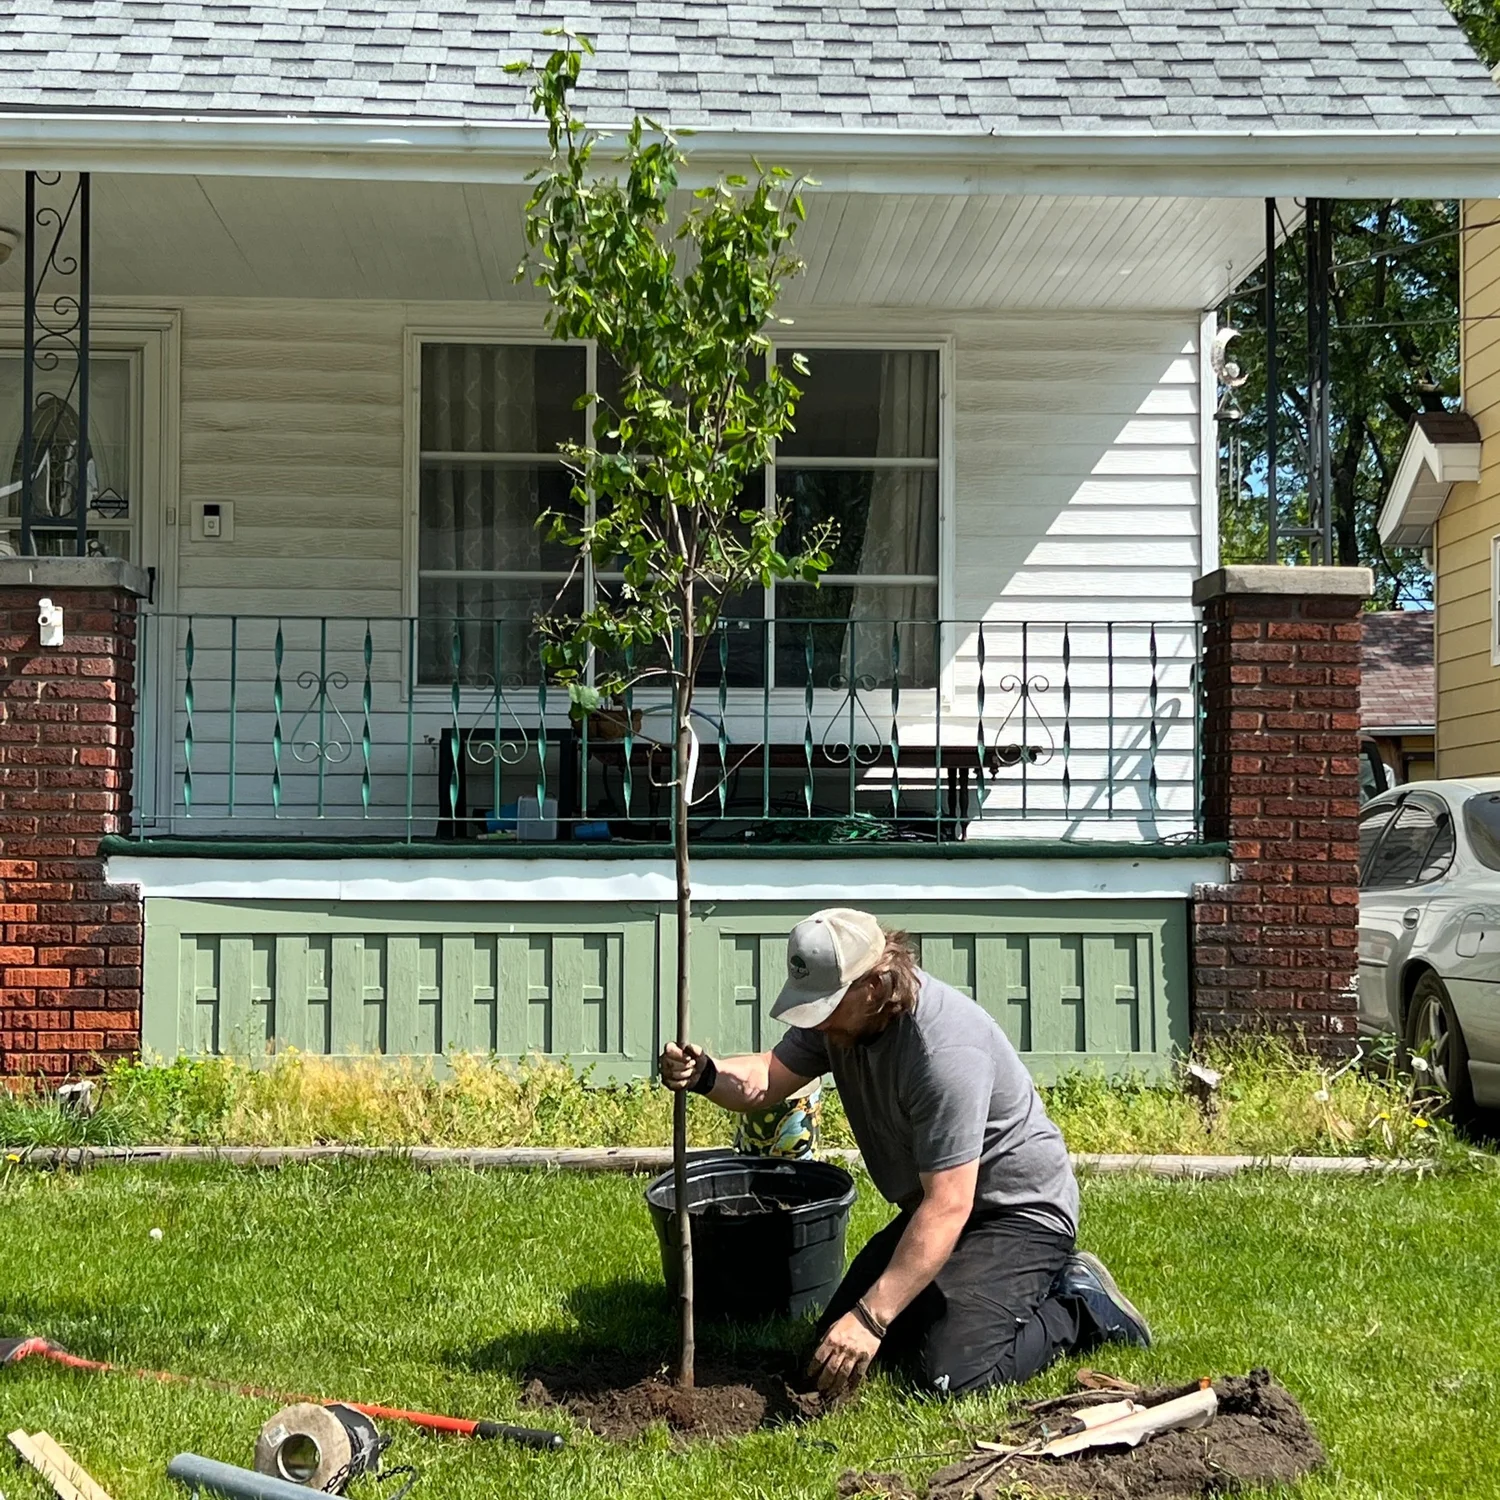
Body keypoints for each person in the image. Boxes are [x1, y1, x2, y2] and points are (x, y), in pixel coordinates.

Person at [660, 907, 1150, 1398]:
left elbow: (950, 1204)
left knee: (950, 1378)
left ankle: (1078, 1307)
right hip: (935, 1211)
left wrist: (872, 1318)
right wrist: (705, 1075)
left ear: (873, 985)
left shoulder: (942, 1053)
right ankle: (951, 1298)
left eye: (827, 1004)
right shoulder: (840, 1018)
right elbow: (767, 1079)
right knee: (826, 1356)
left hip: (1014, 1213)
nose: (819, 1019)